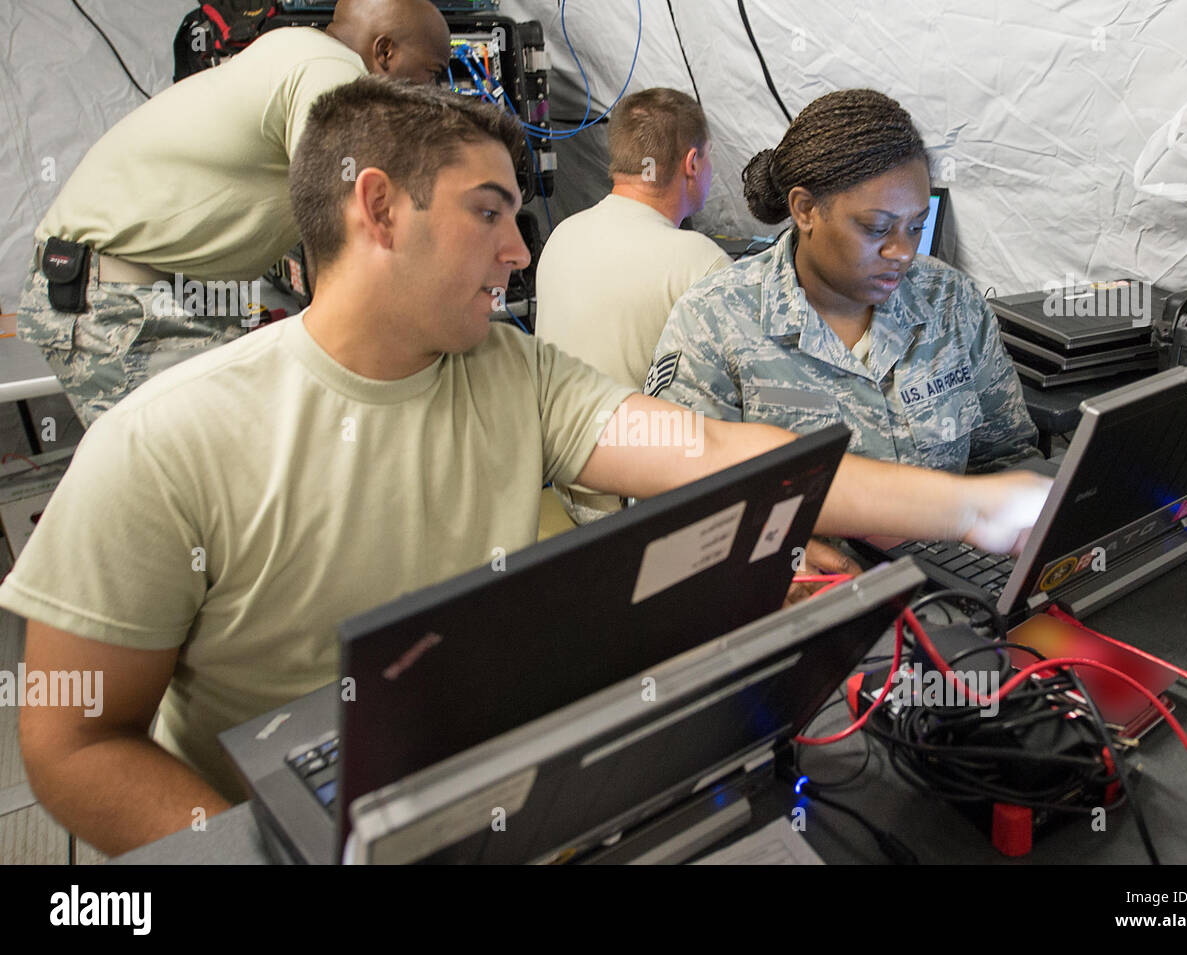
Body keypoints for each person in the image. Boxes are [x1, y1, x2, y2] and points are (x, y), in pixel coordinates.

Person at [2, 78, 1050, 855]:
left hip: (499, 794)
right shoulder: (164, 442)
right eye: (490, 211)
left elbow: (720, 454)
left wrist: (971, 506)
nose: (521, 250)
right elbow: (73, 742)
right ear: (376, 209)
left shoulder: (511, 371)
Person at [16, 0, 450, 426]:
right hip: (115, 301)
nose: (436, 93)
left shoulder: (295, 50)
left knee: (251, 445)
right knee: (222, 459)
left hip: (130, 287)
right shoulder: (333, 72)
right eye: (433, 73)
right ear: (385, 52)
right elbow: (339, 222)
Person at [648, 88, 1040, 476]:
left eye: (916, 226)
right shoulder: (715, 322)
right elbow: (674, 501)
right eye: (877, 228)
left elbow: (1010, 459)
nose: (902, 252)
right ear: (805, 210)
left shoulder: (951, 303)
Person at [534, 87, 731, 523]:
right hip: (638, 508)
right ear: (692, 164)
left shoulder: (563, 234)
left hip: (567, 486)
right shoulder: (700, 261)